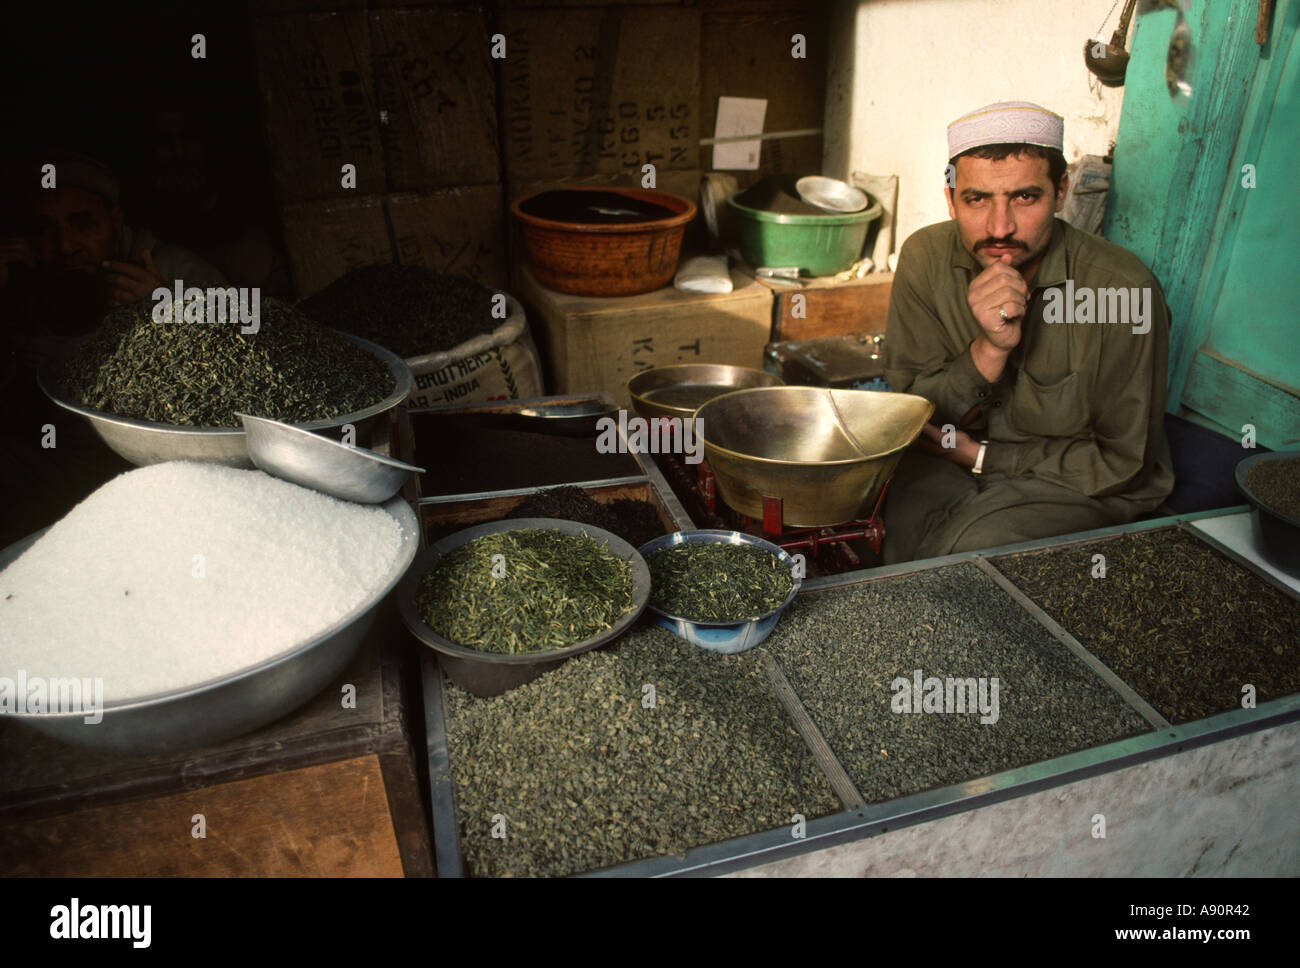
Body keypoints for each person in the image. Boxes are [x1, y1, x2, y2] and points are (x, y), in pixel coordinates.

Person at [881, 101, 1175, 563]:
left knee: (958, 558)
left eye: (1024, 197)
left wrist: (982, 457)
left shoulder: (1122, 289)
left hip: (1075, 485)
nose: (1000, 227)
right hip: (945, 463)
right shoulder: (926, 258)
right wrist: (989, 350)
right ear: (951, 198)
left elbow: (1125, 461)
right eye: (976, 199)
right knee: (861, 522)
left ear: (1060, 193)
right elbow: (910, 414)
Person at [0, 150, 226, 547]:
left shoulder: (174, 271)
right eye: (44, 229)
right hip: (53, 472)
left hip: (157, 467)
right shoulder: (23, 283)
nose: (65, 245)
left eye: (82, 223)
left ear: (116, 220)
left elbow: (250, 359)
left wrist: (168, 313)